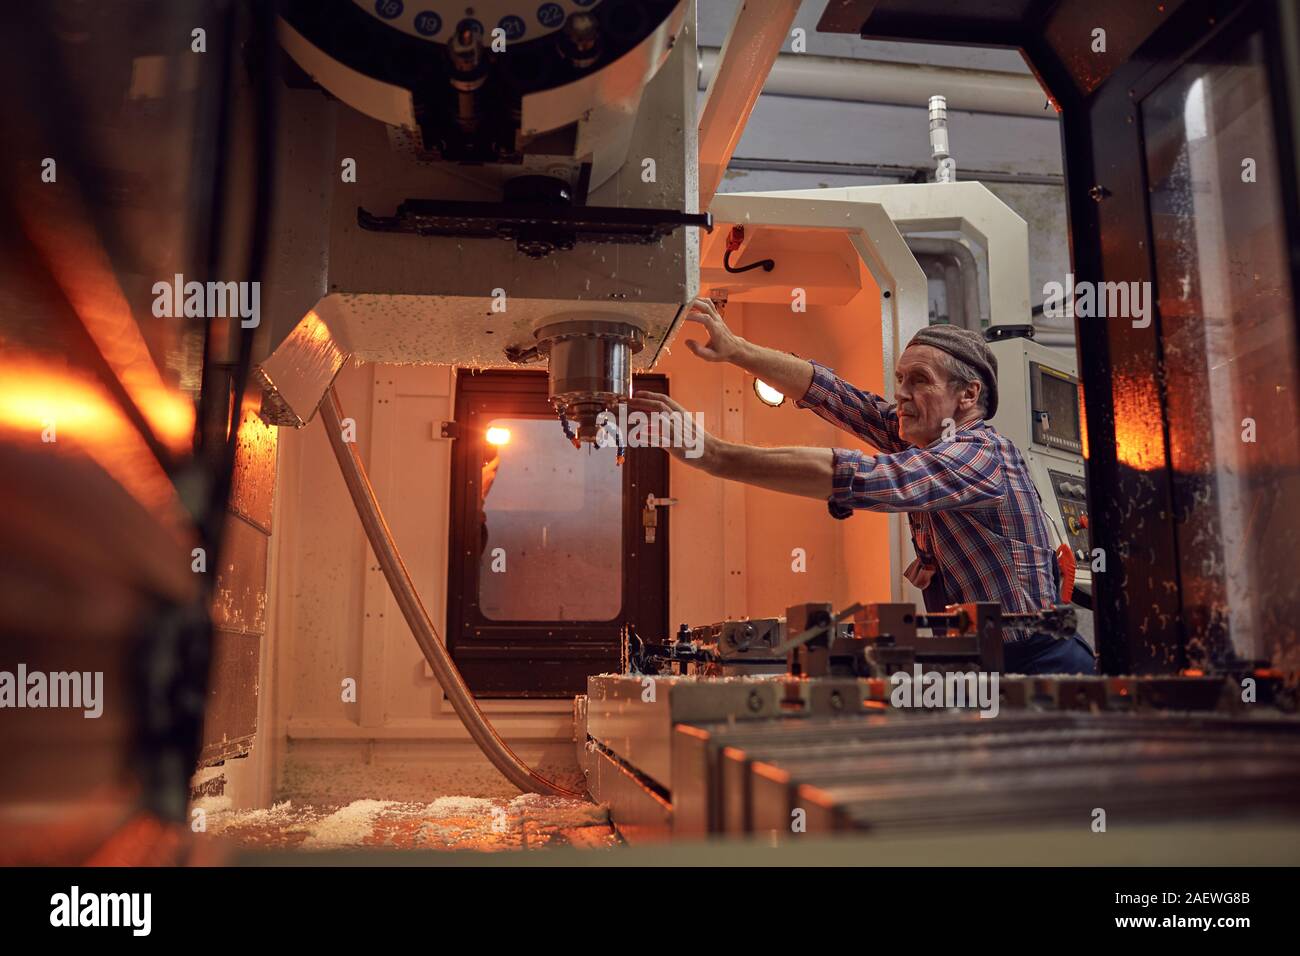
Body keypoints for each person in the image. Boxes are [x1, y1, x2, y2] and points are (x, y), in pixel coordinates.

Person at [629, 297, 1096, 675]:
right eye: (900, 379)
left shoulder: (979, 454)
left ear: (968, 394)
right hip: (980, 664)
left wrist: (712, 454)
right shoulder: (930, 437)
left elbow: (868, 477)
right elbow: (835, 395)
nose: (901, 394)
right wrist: (737, 350)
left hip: (1039, 667)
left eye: (919, 381)